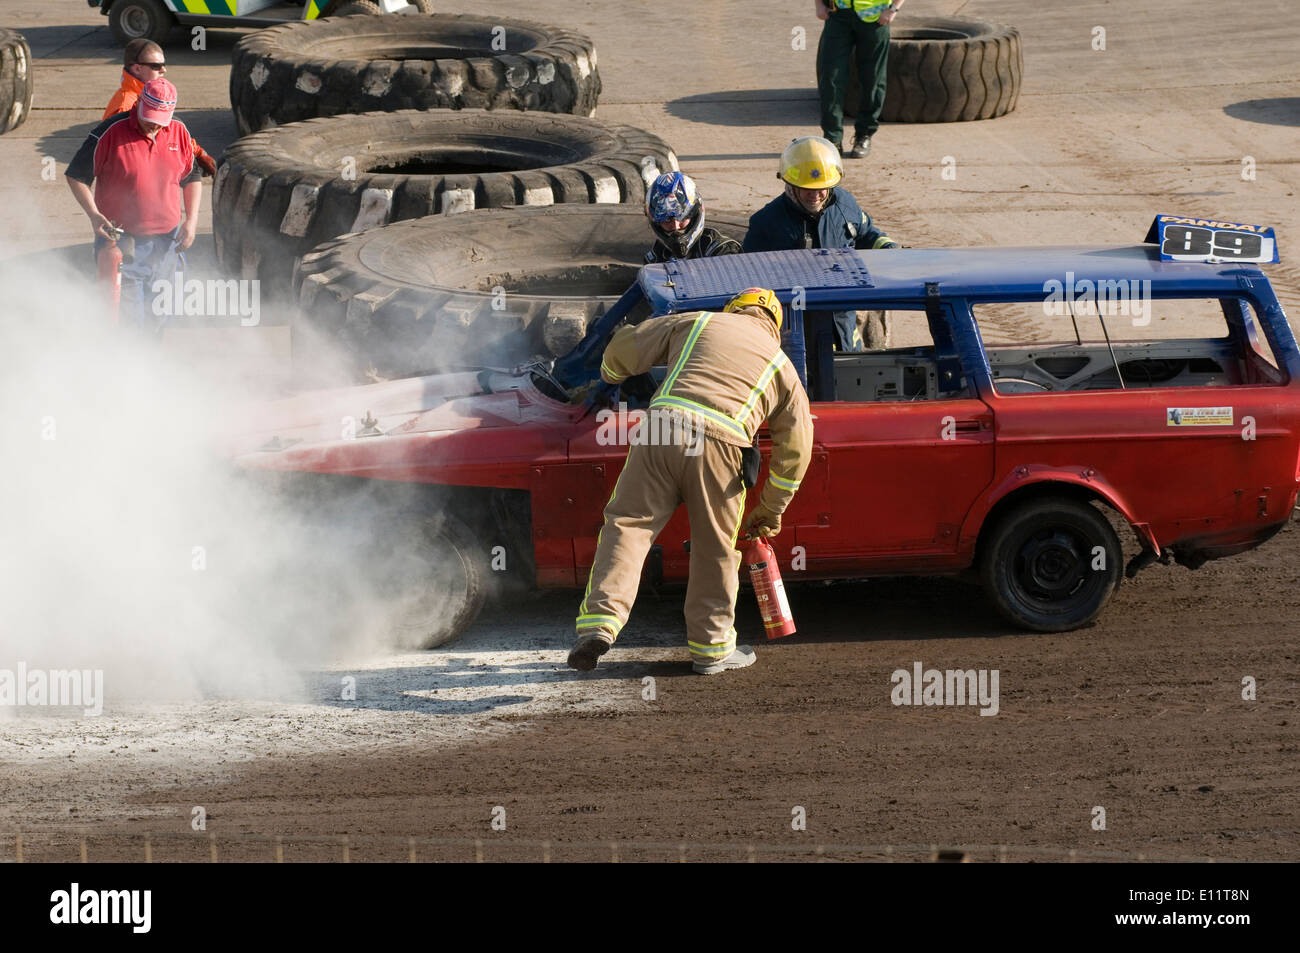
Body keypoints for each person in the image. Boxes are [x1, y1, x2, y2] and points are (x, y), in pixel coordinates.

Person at [567, 288, 813, 676]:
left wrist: (609, 374)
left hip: (661, 428)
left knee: (628, 525)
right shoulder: (783, 367)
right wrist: (770, 509)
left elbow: (624, 350)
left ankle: (600, 624)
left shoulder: (699, 320)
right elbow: (795, 451)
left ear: (733, 310)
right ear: (775, 329)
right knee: (715, 547)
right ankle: (711, 650)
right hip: (723, 443)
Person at [66, 77, 203, 334]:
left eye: (160, 121)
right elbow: (76, 175)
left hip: (167, 243)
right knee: (128, 319)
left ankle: (156, 364)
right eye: (148, 117)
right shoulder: (109, 133)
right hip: (121, 242)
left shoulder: (179, 131)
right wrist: (94, 216)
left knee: (161, 315)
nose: (153, 125)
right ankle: (128, 368)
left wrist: (192, 220)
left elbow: (192, 177)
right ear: (139, 103)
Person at [743, 136, 899, 355]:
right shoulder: (766, 224)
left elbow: (868, 234)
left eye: (822, 188)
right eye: (807, 189)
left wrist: (890, 250)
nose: (815, 195)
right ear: (790, 184)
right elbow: (745, 278)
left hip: (844, 327)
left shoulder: (844, 205)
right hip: (795, 334)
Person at [105, 39, 216, 177]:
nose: (164, 69)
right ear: (137, 68)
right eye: (156, 66)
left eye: (164, 64)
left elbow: (169, 132)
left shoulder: (149, 95)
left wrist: (197, 153)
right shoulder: (125, 106)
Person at [815, 0, 905, 158]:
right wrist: (819, 4)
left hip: (875, 18)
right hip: (838, 15)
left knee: (873, 79)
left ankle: (864, 135)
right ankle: (832, 139)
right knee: (831, 78)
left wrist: (893, 9)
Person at [643, 171, 741, 264]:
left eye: (681, 218)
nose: (675, 226)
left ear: (694, 215)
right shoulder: (656, 258)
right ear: (657, 224)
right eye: (666, 220)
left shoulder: (720, 249)